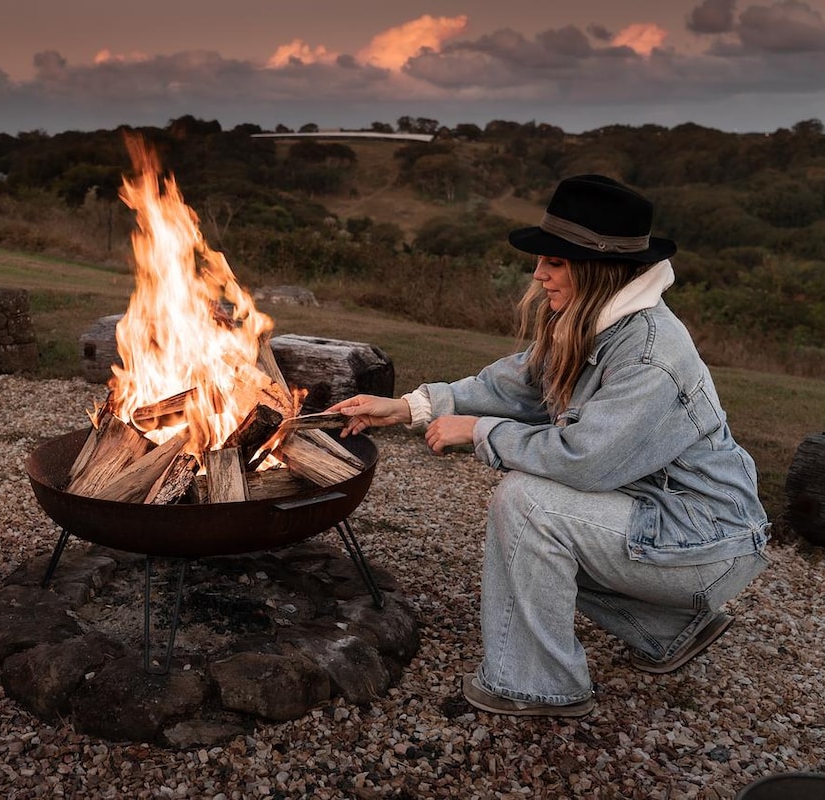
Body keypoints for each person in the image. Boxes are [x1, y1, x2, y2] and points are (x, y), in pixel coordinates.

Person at [327, 174, 770, 717]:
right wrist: (405, 407)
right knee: (540, 530)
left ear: (597, 268)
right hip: (668, 523)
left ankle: (538, 686)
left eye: (554, 262)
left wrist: (481, 432)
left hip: (705, 539)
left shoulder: (651, 354)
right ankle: (670, 628)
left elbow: (585, 461)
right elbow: (511, 384)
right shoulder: (588, 324)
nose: (538, 273)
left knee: (529, 504)